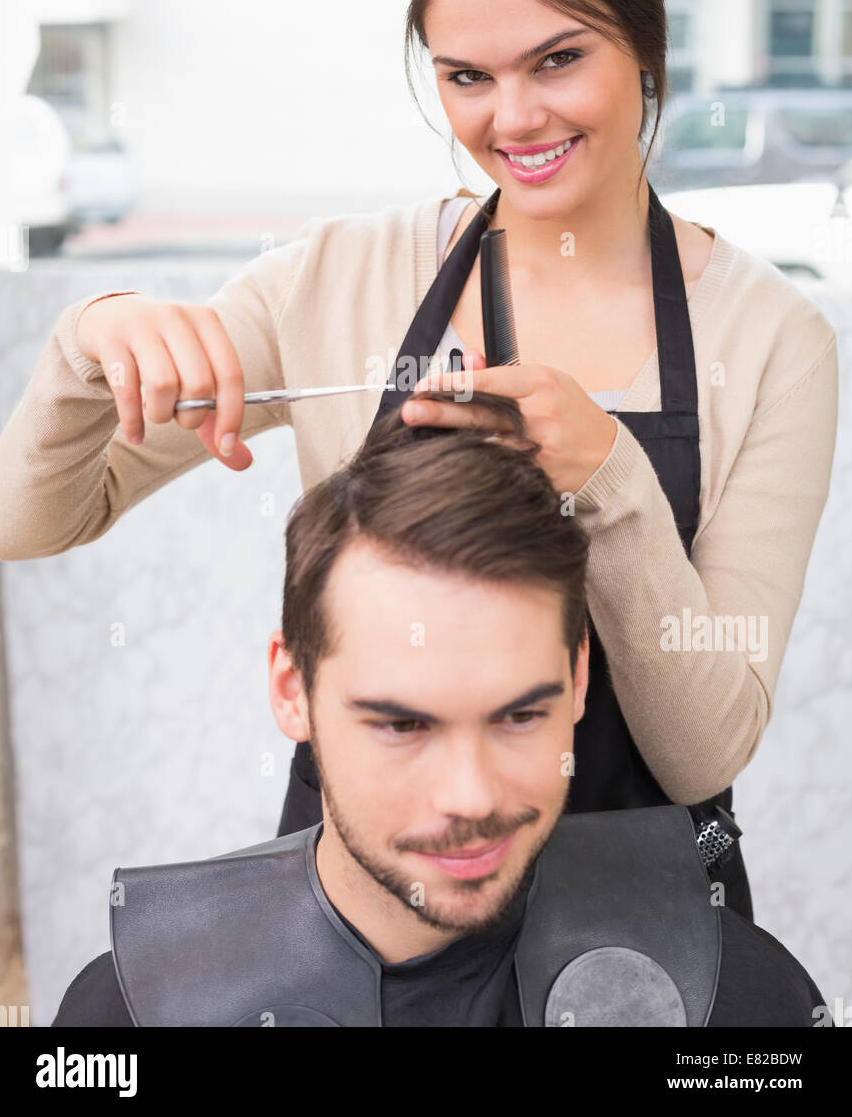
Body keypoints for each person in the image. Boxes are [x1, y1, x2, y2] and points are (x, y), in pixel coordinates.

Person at [0, 0, 838, 921]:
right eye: (465, 77)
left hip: (627, 935)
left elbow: (702, 746)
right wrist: (90, 338)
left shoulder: (769, 341)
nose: (513, 118)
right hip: (364, 914)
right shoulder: (332, 280)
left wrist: (611, 482)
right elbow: (25, 521)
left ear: (645, 48)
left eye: (556, 60)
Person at [51, 396, 828, 1028]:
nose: (472, 797)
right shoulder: (130, 1014)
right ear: (293, 691)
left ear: (580, 678)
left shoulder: (739, 1001)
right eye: (402, 725)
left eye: (519, 717)